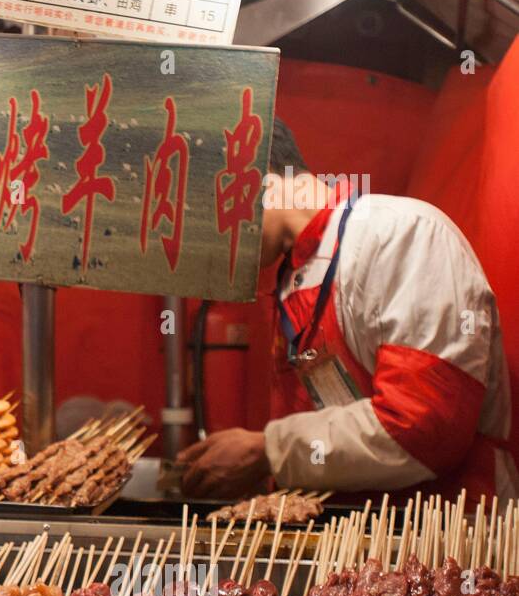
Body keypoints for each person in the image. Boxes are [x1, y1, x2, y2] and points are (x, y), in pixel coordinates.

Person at [180, 119, 517, 504]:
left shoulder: (400, 233)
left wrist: (269, 450)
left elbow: (423, 428)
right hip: (355, 533)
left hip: (448, 531)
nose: (212, 242)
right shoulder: (294, 275)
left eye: (210, 216)